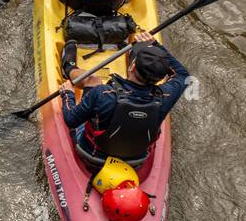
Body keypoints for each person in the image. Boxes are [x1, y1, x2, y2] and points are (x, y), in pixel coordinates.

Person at [58, 31, 189, 165]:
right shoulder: (166, 96)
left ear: (132, 66)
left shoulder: (102, 93)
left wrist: (67, 94)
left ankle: (68, 67)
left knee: (92, 80)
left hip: (93, 154)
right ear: (162, 77)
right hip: (136, 159)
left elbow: (71, 120)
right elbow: (183, 75)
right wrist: (157, 46)